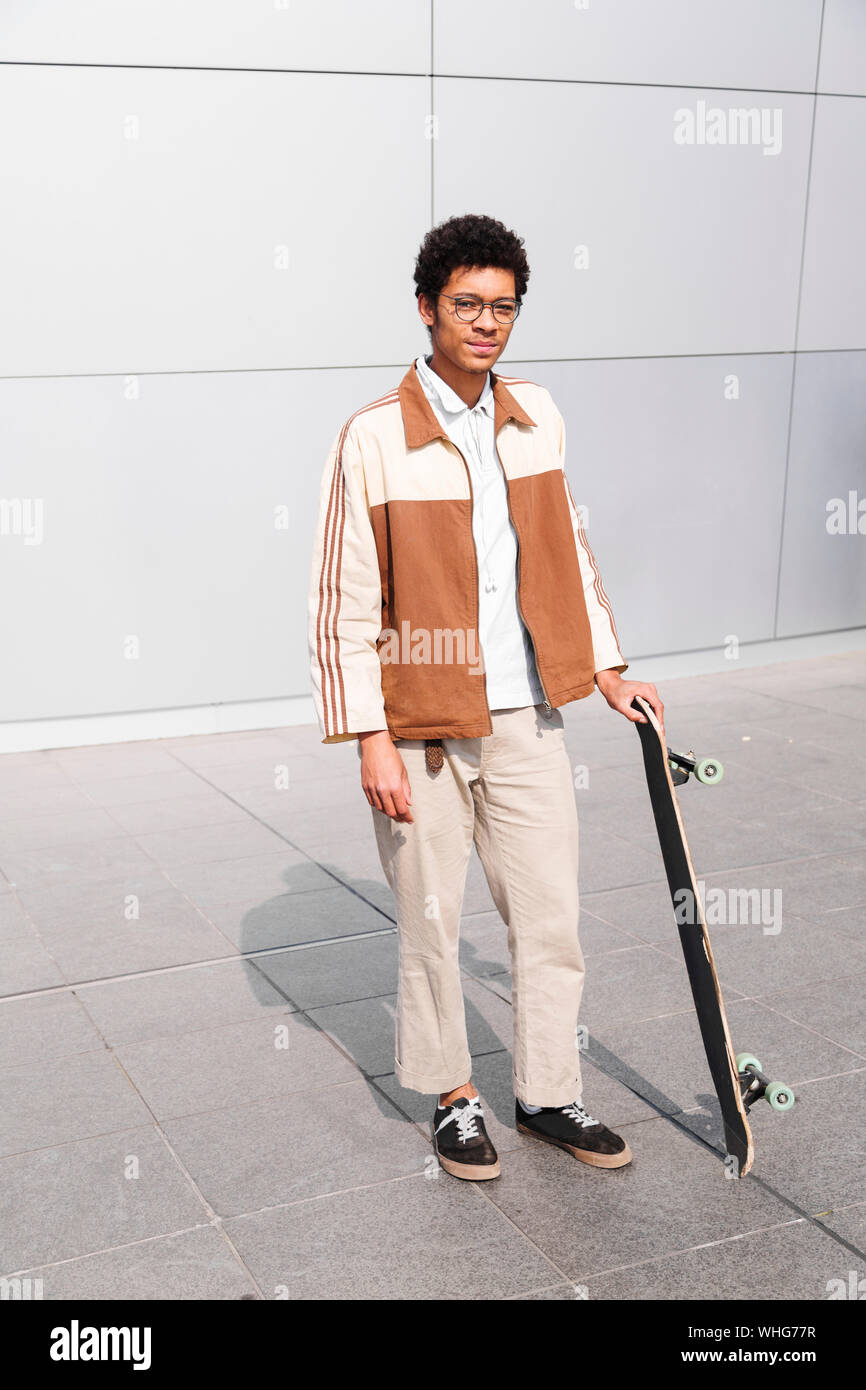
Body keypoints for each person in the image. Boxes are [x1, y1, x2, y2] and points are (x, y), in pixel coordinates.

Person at [308, 213, 664, 1180]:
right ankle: (454, 1099)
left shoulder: (536, 416)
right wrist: (368, 738)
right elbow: (343, 599)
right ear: (427, 309)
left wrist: (608, 666)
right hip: (423, 728)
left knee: (550, 917)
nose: (485, 323)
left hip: (528, 717)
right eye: (466, 304)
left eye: (502, 308)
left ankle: (548, 1093)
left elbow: (568, 549)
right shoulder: (375, 436)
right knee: (431, 920)